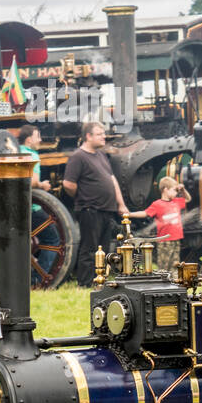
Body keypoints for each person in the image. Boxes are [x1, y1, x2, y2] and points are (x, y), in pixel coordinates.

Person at [62, 119, 128, 287]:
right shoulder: (78, 157)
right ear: (88, 136)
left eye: (103, 134)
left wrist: (121, 204)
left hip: (107, 209)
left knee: (103, 249)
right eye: (99, 134)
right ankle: (84, 283)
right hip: (90, 209)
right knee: (90, 249)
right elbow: (68, 184)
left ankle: (99, 280)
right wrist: (84, 197)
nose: (104, 137)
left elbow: (112, 180)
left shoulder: (101, 155)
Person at [18, 124, 60, 284]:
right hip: (31, 207)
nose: (40, 140)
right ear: (29, 139)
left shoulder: (15, 152)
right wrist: (43, 185)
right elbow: (32, 182)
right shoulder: (31, 155)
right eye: (38, 137)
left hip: (15, 208)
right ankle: (36, 279)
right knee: (53, 239)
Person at [126, 176, 190, 272]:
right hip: (164, 241)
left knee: (175, 263)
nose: (176, 193)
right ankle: (163, 281)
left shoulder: (176, 202)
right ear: (165, 190)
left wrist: (183, 190)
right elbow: (145, 213)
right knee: (164, 266)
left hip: (176, 239)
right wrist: (129, 214)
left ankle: (174, 280)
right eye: (174, 190)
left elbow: (188, 199)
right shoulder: (157, 204)